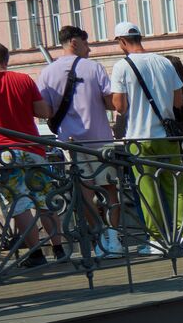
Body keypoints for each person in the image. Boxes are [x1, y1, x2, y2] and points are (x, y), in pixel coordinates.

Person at [0, 41, 57, 267]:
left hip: (3, 153)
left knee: (18, 204)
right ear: (6, 59)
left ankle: (36, 254)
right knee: (44, 200)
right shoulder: (24, 79)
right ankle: (59, 249)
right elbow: (42, 111)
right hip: (33, 148)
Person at [38, 26, 121, 257]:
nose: (89, 49)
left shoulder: (47, 73)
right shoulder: (94, 67)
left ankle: (98, 242)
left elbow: (45, 111)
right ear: (74, 42)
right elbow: (111, 103)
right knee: (110, 190)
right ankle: (114, 240)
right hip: (100, 140)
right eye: (86, 43)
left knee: (83, 194)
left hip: (70, 143)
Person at [109, 23, 183, 254]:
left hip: (139, 138)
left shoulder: (122, 66)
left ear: (122, 41)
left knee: (147, 189)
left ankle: (156, 240)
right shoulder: (164, 62)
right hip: (168, 136)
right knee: (176, 187)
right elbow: (178, 101)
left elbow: (120, 106)